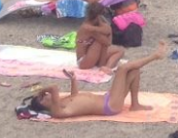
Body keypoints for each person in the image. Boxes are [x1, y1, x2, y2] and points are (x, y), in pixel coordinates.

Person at [22, 50, 168, 118]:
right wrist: (41, 91)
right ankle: (155, 56)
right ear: (43, 106)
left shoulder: (62, 103)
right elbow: (53, 88)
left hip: (108, 99)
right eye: (43, 98)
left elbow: (76, 97)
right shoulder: (57, 111)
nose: (46, 95)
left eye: (44, 95)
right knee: (124, 68)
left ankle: (135, 105)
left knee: (133, 71)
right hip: (110, 105)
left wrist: (73, 80)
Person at [76, 2, 125, 70]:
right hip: (83, 61)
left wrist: (106, 30)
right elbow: (107, 42)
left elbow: (107, 30)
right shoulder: (87, 28)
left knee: (120, 51)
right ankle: (105, 67)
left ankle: (106, 67)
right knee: (99, 42)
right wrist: (107, 32)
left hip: (92, 56)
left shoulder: (95, 24)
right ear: (98, 16)